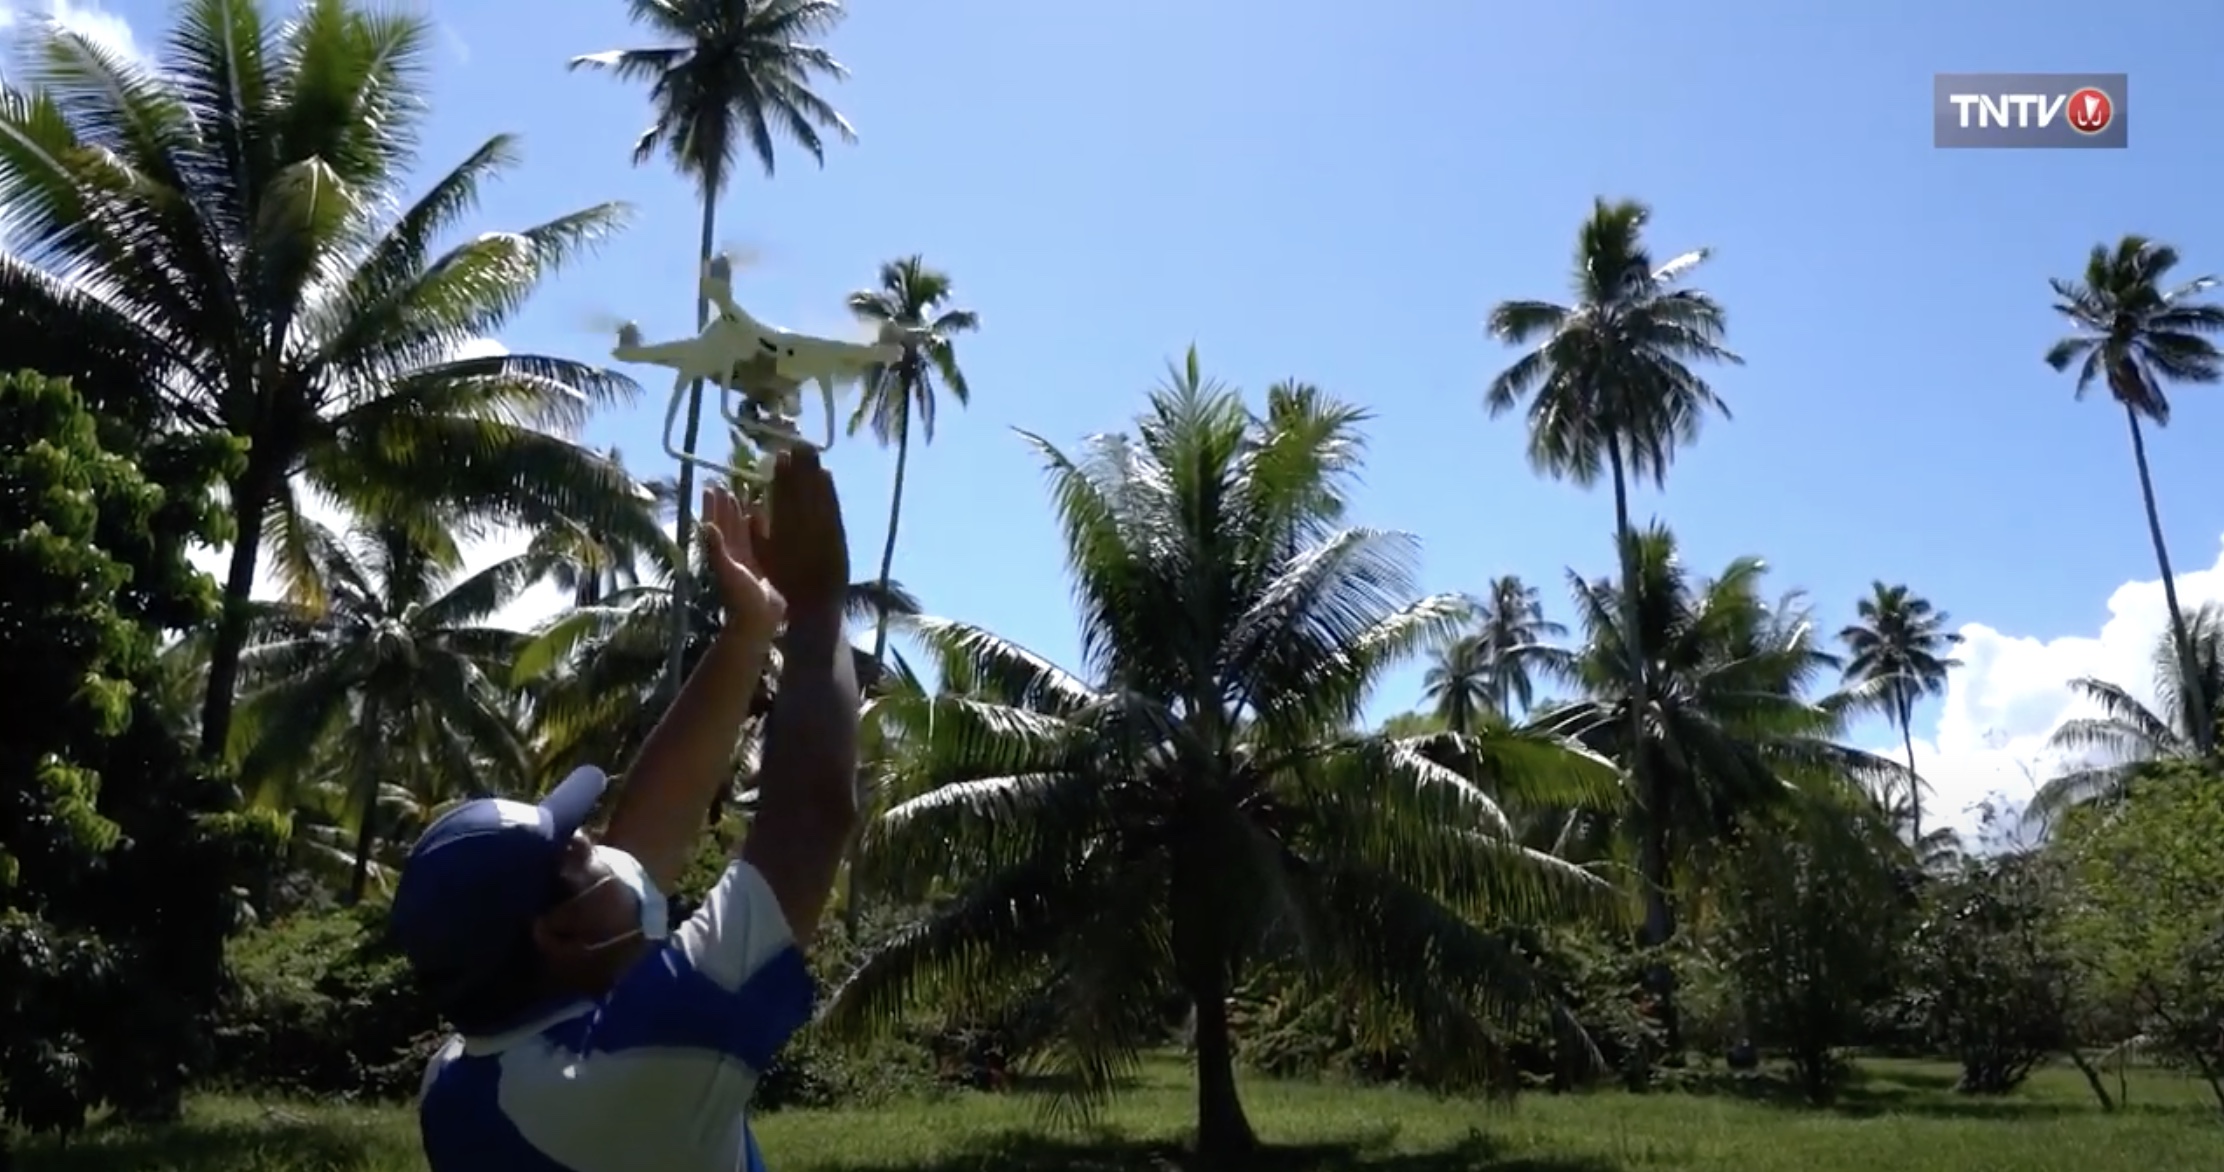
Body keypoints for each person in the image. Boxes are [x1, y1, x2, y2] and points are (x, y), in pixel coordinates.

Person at [389, 449, 860, 1172]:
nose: (606, 845)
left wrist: (748, 635)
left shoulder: (465, 1075)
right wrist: (820, 602)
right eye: (579, 851)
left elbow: (645, 842)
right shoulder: (642, 1067)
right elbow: (812, 819)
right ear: (562, 933)